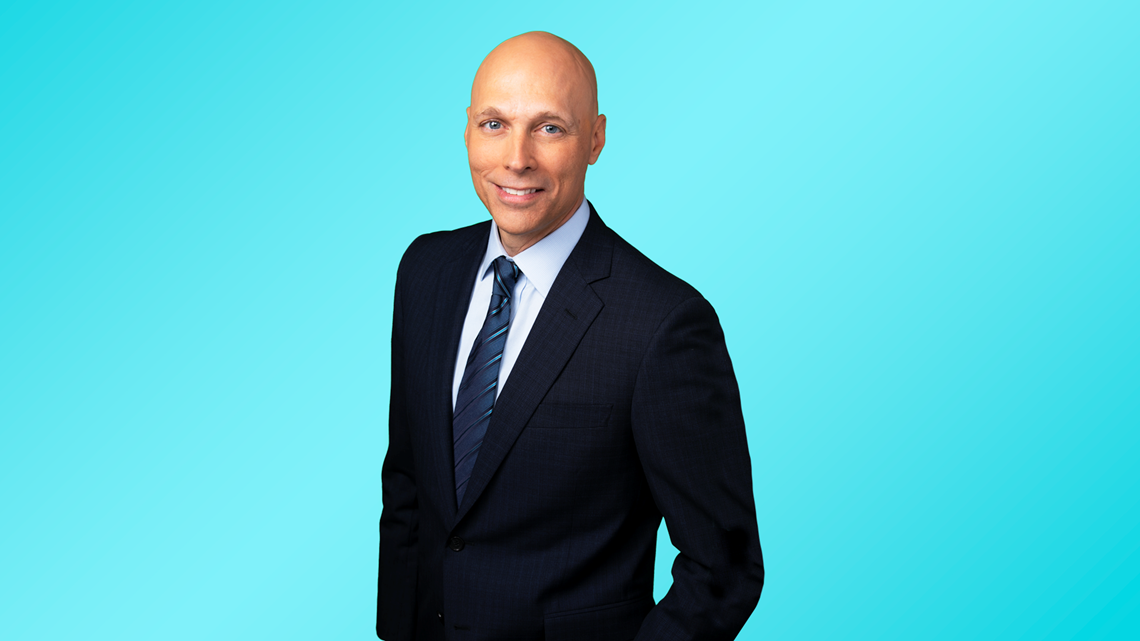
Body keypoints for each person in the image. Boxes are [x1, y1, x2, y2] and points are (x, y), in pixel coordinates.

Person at [376, 31, 763, 641]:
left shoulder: (663, 323)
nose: (517, 158)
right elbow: (407, 486)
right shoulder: (425, 271)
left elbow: (723, 567)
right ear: (468, 130)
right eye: (494, 124)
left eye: (550, 128)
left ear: (596, 139)